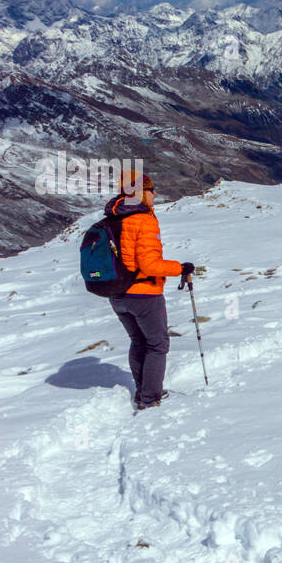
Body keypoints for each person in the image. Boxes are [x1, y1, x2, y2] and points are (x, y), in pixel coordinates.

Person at [103, 171, 194, 410]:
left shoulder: (114, 216)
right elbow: (149, 265)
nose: (155, 194)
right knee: (157, 345)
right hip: (143, 294)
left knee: (138, 341)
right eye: (152, 189)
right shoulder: (143, 219)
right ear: (141, 192)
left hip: (116, 293)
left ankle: (142, 392)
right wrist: (180, 268)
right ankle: (149, 398)